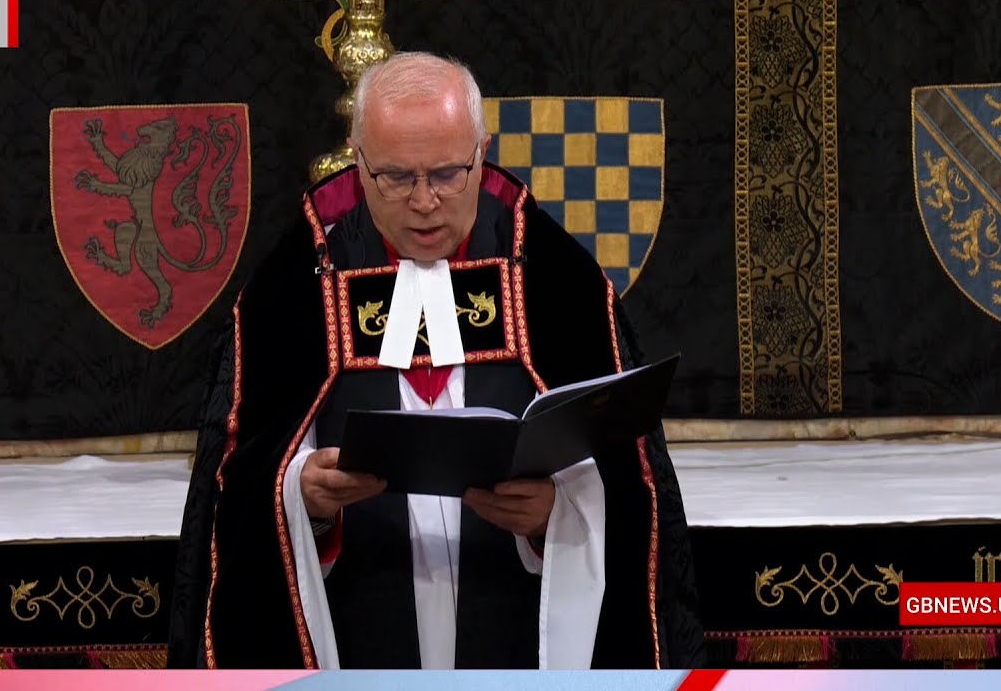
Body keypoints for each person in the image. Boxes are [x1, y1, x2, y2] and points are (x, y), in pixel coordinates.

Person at [168, 52, 704, 670]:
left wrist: (554, 520)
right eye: (395, 177)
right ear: (358, 161)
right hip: (360, 629)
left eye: (448, 173)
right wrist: (302, 500)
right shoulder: (294, 290)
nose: (425, 201)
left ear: (483, 151)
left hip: (514, 633)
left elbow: (634, 487)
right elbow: (235, 488)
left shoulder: (557, 283)